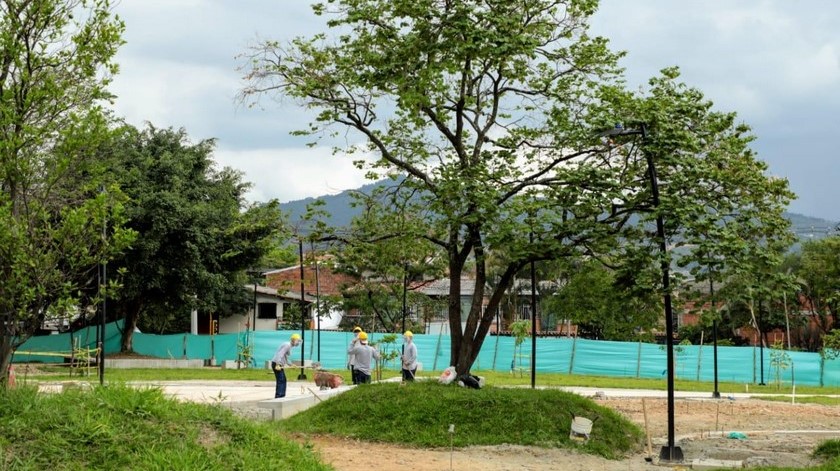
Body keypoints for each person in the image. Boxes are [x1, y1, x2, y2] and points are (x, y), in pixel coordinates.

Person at [271, 333, 301, 398]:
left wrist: (291, 365)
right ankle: (279, 396)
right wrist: (278, 364)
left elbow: (285, 357)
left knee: (283, 380)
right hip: (277, 364)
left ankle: (281, 396)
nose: (298, 343)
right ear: (293, 340)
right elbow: (280, 354)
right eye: (297, 341)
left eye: (299, 341)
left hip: (278, 364)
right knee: (281, 380)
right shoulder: (287, 345)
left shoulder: (289, 346)